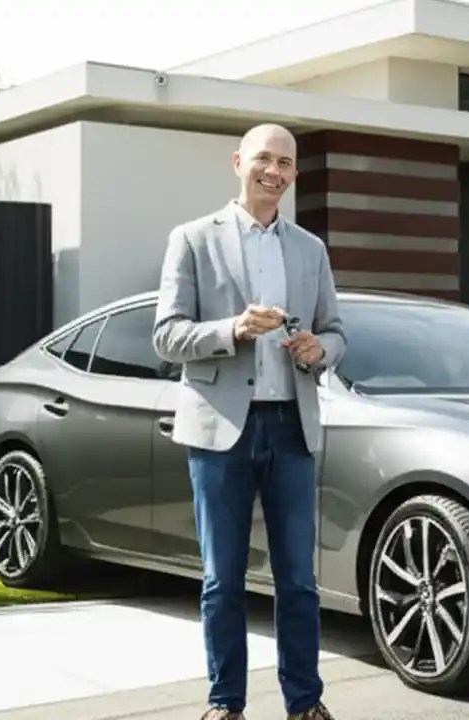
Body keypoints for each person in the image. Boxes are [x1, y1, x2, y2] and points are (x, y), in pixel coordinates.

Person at [152, 123, 345, 720]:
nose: (275, 171)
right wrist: (231, 330)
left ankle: (305, 705)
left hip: (291, 426)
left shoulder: (311, 249)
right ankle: (225, 705)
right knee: (222, 582)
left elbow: (337, 333)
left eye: (286, 163)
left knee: (299, 582)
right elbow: (166, 335)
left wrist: (321, 352)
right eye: (264, 158)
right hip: (219, 432)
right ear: (239, 162)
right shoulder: (191, 239)